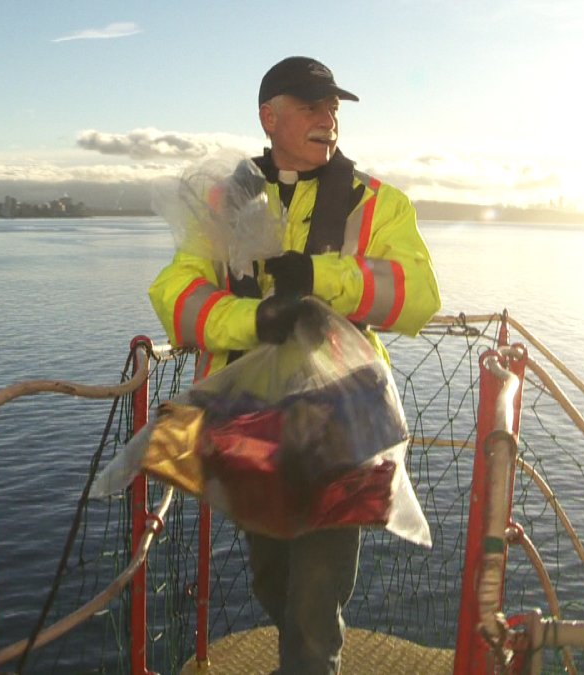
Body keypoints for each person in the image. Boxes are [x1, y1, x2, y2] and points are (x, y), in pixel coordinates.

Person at [148, 56, 441, 674]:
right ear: (269, 116)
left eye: (333, 107)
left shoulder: (379, 203)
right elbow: (175, 293)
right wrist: (253, 321)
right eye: (311, 105)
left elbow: (418, 295)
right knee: (271, 577)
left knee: (314, 600)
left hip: (344, 417)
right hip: (249, 423)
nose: (327, 117)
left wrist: (319, 278)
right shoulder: (224, 201)